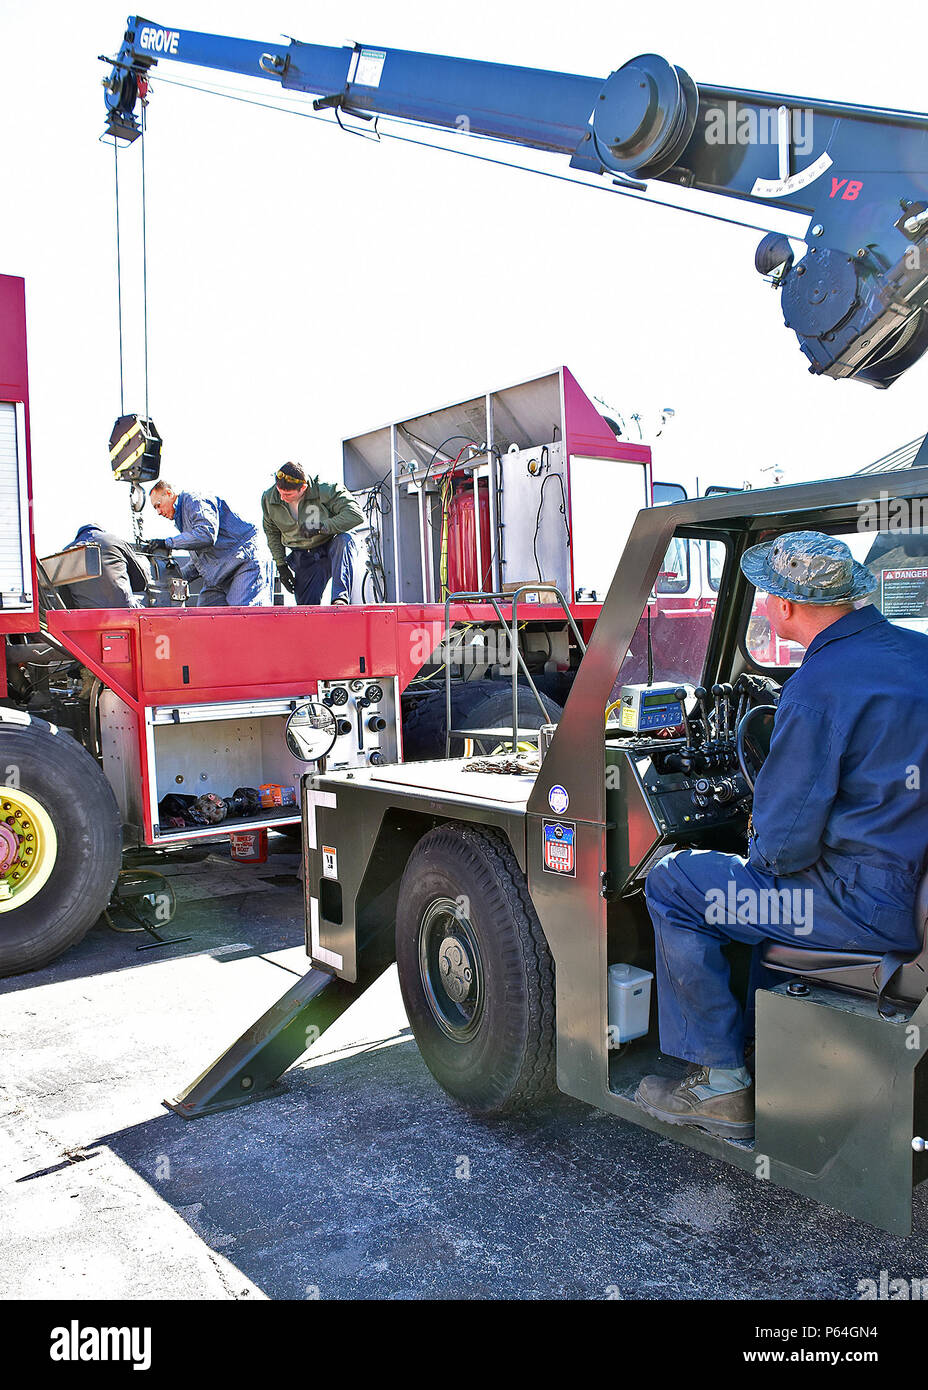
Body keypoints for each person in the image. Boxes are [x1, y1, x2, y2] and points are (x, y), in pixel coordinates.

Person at [636, 531, 928, 1138]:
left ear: (787, 607)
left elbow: (781, 846)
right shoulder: (915, 656)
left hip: (856, 905)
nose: (764, 603)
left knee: (675, 881)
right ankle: (751, 1043)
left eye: (765, 594)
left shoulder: (819, 687)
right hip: (905, 880)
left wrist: (751, 826)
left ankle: (720, 1088)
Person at [142, 482, 269, 607]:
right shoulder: (182, 520)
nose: (158, 512)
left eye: (158, 505)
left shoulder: (195, 500)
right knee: (204, 614)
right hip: (219, 574)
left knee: (242, 616)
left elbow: (206, 534)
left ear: (169, 493)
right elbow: (202, 560)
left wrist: (167, 543)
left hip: (242, 564)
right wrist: (175, 576)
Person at [261, 463, 364, 606]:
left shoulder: (325, 489)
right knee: (306, 612)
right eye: (280, 492)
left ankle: (339, 599)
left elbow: (355, 515)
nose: (282, 498)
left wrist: (321, 527)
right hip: (305, 557)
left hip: (330, 545)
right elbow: (271, 532)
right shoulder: (269, 498)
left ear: (303, 488)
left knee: (344, 540)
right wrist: (281, 564)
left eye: (288, 494)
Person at [58, 524, 147, 609]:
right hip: (125, 610)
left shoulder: (66, 552)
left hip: (88, 616)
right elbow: (140, 582)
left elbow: (65, 598)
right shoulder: (114, 540)